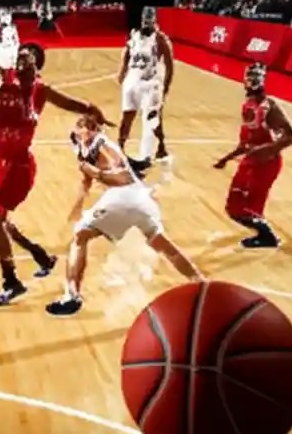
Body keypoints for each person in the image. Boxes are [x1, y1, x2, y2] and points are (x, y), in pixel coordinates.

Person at [0, 0, 110, 307]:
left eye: (27, 57)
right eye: (19, 57)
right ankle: (40, 257)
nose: (20, 59)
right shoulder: (4, 76)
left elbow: (77, 104)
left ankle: (12, 281)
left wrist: (95, 112)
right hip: (1, 160)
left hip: (17, 165)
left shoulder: (41, 91)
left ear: (37, 65)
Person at [46, 115, 204, 317]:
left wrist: (97, 174)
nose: (80, 132)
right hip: (141, 201)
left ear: (94, 130)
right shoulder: (86, 151)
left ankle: (71, 296)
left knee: (79, 237)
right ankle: (201, 283)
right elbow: (86, 183)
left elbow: (123, 176)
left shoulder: (103, 146)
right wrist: (77, 206)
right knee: (165, 246)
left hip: (122, 198)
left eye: (85, 127)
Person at [214, 62, 292, 249]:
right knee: (233, 206)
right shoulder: (248, 105)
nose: (250, 82)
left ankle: (268, 237)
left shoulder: (269, 107)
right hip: (250, 161)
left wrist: (266, 150)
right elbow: (245, 143)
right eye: (249, 77)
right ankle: (263, 233)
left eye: (254, 78)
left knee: (248, 207)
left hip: (266, 164)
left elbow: (291, 137)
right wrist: (226, 159)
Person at [116, 7, 174, 167]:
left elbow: (169, 63)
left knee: (151, 118)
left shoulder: (160, 39)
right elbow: (126, 52)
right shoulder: (134, 35)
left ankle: (148, 154)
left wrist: (166, 85)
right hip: (132, 82)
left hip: (150, 84)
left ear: (155, 20)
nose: (147, 23)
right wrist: (122, 70)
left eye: (150, 20)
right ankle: (120, 149)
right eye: (145, 19)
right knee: (127, 117)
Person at [0, 8, 21, 96]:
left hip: (9, 62)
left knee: (12, 87)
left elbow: (17, 44)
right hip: (1, 62)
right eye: (3, 14)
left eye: (8, 14)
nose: (6, 17)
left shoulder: (13, 29)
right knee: (0, 88)